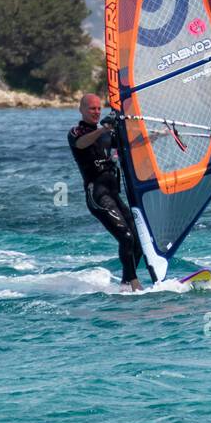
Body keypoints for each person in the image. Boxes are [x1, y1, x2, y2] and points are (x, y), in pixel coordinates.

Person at [68, 94, 144, 291]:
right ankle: (133, 284)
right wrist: (105, 128)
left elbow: (130, 145)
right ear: (82, 110)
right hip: (97, 196)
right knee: (126, 237)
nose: (96, 112)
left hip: (114, 194)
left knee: (138, 239)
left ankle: (126, 284)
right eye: (92, 109)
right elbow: (82, 143)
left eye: (98, 108)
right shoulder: (76, 133)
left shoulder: (106, 135)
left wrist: (155, 136)